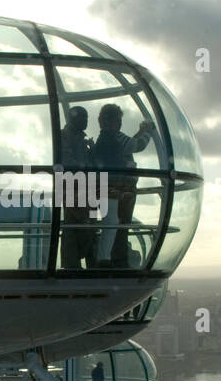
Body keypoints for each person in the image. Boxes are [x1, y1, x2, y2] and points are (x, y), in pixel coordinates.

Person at [91, 103, 154, 267]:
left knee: (114, 222)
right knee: (113, 221)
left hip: (111, 186)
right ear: (106, 122)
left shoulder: (107, 138)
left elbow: (129, 143)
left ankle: (110, 258)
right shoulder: (115, 138)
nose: (118, 124)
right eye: (116, 121)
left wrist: (141, 131)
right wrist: (148, 131)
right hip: (113, 186)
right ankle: (106, 259)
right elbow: (137, 145)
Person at [58, 106, 95, 269]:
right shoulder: (65, 136)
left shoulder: (78, 138)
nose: (86, 121)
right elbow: (67, 160)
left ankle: (73, 264)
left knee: (79, 225)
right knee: (80, 224)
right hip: (73, 187)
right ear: (73, 119)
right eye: (83, 117)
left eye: (86, 117)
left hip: (82, 188)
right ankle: (75, 264)